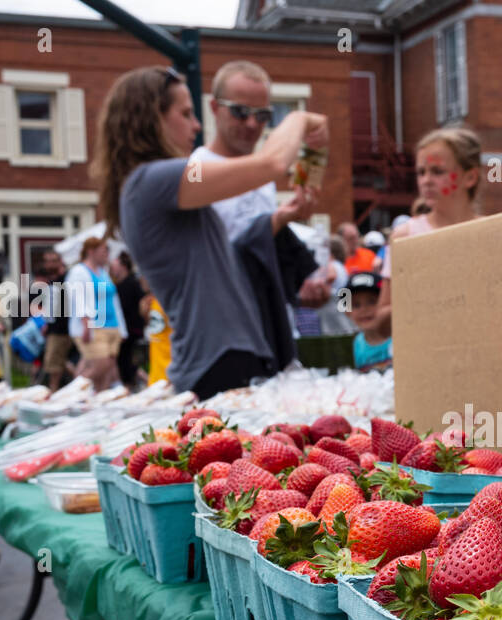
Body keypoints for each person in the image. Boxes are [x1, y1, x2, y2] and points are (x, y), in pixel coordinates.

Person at [91, 65, 328, 396]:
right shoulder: (153, 180)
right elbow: (271, 164)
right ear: (152, 118)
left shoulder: (148, 184)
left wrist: (277, 220)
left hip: (219, 358)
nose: (197, 125)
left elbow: (224, 259)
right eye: (186, 114)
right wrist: (299, 120)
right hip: (217, 361)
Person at [189, 61, 327, 361]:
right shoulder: (197, 168)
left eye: (263, 115)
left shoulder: (262, 176)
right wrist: (278, 219)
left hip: (268, 324)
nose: (252, 124)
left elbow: (259, 252)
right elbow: (215, 258)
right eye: (240, 112)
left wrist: (300, 285)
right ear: (214, 108)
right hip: (222, 335)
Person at [376, 127, 484, 329]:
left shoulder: (491, 232)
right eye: (420, 172)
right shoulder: (406, 236)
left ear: (470, 177)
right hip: (427, 352)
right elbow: (382, 315)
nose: (426, 181)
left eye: (437, 171)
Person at [65, 236, 127, 391]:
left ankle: (99, 399)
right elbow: (79, 299)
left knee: (108, 369)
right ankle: (72, 393)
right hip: (94, 326)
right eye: (104, 249)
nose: (107, 253)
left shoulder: (103, 272)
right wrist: (86, 325)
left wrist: (121, 329)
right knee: (100, 364)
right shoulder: (78, 272)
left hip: (111, 326)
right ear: (91, 251)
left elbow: (114, 300)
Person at [110, 251, 146, 387]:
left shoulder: (132, 283)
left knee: (126, 361)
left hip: (131, 329)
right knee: (125, 361)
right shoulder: (120, 284)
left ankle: (140, 381)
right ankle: (134, 383)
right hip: (126, 329)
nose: (112, 268)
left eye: (115, 265)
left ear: (123, 266)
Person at [39, 248, 73, 390]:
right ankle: (82, 383)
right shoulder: (51, 282)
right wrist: (46, 323)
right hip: (54, 328)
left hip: (63, 329)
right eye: (47, 261)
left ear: (60, 262)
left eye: (53, 261)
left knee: (53, 365)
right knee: (59, 362)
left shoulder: (67, 279)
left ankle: (53, 391)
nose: (49, 264)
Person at [347, 272, 391, 370]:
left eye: (372, 301)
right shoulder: (357, 343)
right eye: (356, 305)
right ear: (347, 312)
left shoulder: (397, 337)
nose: (364, 309)